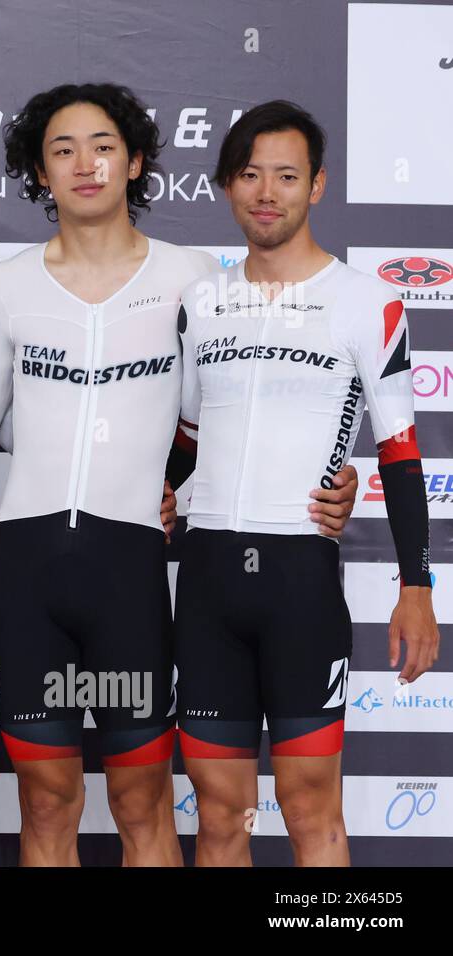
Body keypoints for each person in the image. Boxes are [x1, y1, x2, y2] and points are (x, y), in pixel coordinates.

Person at [0, 84, 360, 866]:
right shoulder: (5, 284)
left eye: (104, 146)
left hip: (131, 579)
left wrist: (335, 474)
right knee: (46, 801)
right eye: (63, 150)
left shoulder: (196, 282)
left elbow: (243, 407)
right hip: (27, 580)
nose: (86, 164)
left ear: (136, 160)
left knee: (141, 801)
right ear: (39, 172)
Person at [174, 100, 439, 866]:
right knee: (220, 816)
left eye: (286, 175)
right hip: (209, 578)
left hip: (300, 579)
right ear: (227, 186)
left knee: (310, 809)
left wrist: (416, 585)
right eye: (250, 174)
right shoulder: (200, 304)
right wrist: (161, 490)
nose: (267, 192)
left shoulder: (366, 300)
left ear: (316, 186)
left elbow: (399, 450)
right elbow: (188, 440)